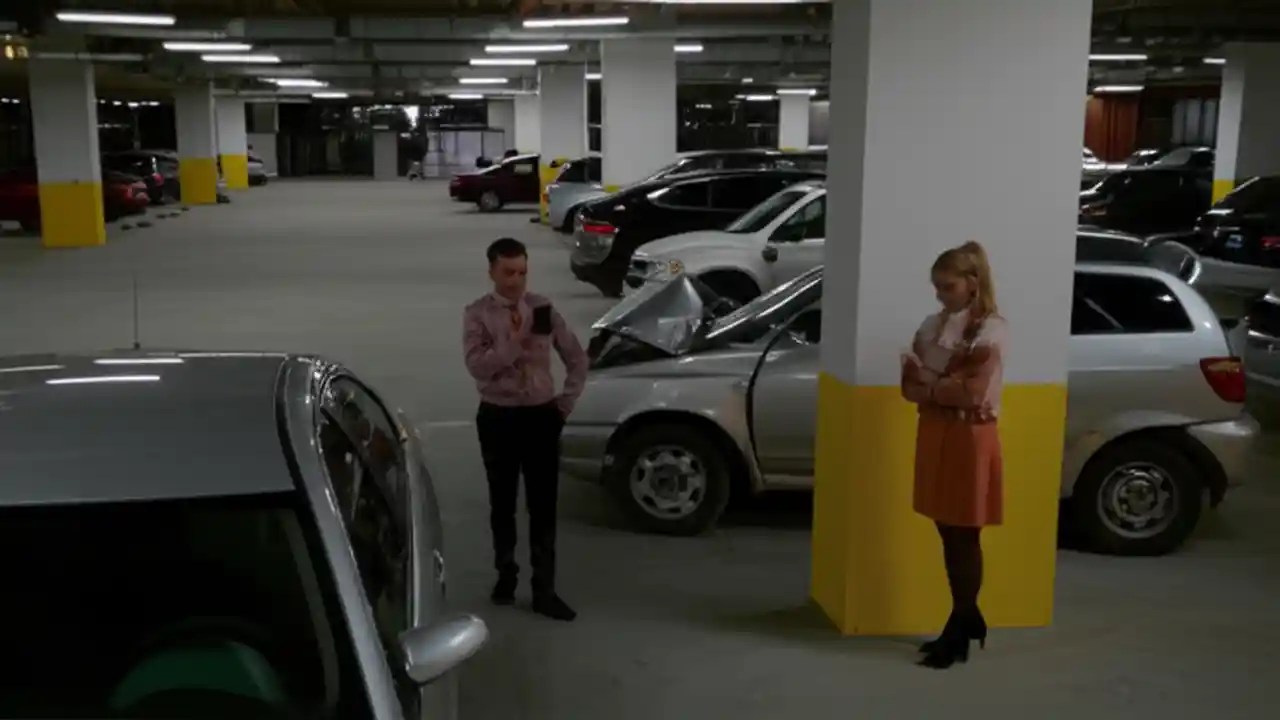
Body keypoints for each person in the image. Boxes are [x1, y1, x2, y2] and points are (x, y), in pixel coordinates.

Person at [462, 237, 588, 621]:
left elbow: (576, 358)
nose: (516, 281)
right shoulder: (478, 315)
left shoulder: (543, 309)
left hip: (540, 417)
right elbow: (478, 366)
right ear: (492, 272)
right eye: (508, 272)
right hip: (498, 417)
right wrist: (516, 339)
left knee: (542, 505)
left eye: (522, 272)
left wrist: (563, 406)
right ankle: (506, 575)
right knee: (502, 502)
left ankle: (544, 589)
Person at [900, 240, 1006, 669]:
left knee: (964, 532)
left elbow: (971, 391)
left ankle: (960, 626)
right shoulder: (933, 325)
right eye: (937, 287)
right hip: (937, 430)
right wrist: (940, 384)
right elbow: (910, 386)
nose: (940, 295)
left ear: (973, 283)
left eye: (947, 287)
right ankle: (965, 619)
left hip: (969, 436)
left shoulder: (992, 330)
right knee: (948, 529)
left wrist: (933, 382)